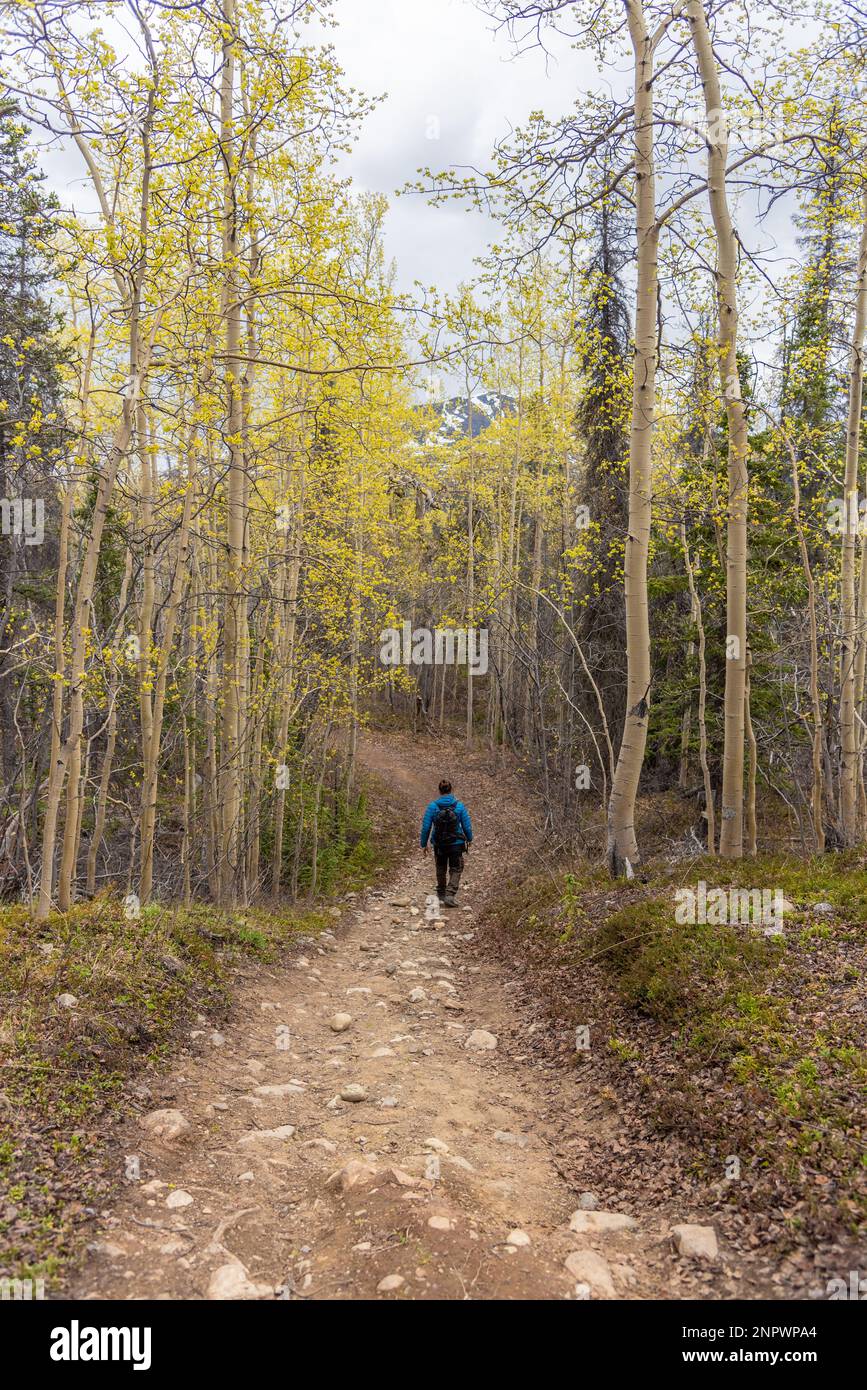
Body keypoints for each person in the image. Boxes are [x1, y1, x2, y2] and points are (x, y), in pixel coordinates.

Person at [420, 778, 473, 907]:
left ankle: (441, 893)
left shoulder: (433, 806)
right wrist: (469, 838)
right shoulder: (459, 806)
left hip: (439, 844)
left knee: (441, 867)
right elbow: (466, 825)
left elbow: (426, 827)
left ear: (439, 791)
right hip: (456, 843)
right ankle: (450, 894)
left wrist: (424, 844)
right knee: (456, 868)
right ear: (451, 790)